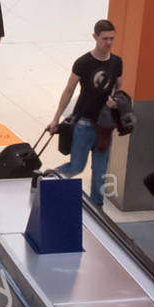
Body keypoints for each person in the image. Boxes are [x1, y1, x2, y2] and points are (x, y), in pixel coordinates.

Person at [47, 20, 124, 208]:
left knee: (100, 172)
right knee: (76, 166)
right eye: (105, 38)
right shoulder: (83, 63)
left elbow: (119, 87)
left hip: (104, 126)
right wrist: (56, 118)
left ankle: (97, 210)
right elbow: (69, 90)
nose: (108, 43)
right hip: (84, 124)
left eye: (112, 39)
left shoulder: (116, 62)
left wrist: (116, 101)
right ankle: (46, 182)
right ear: (95, 37)